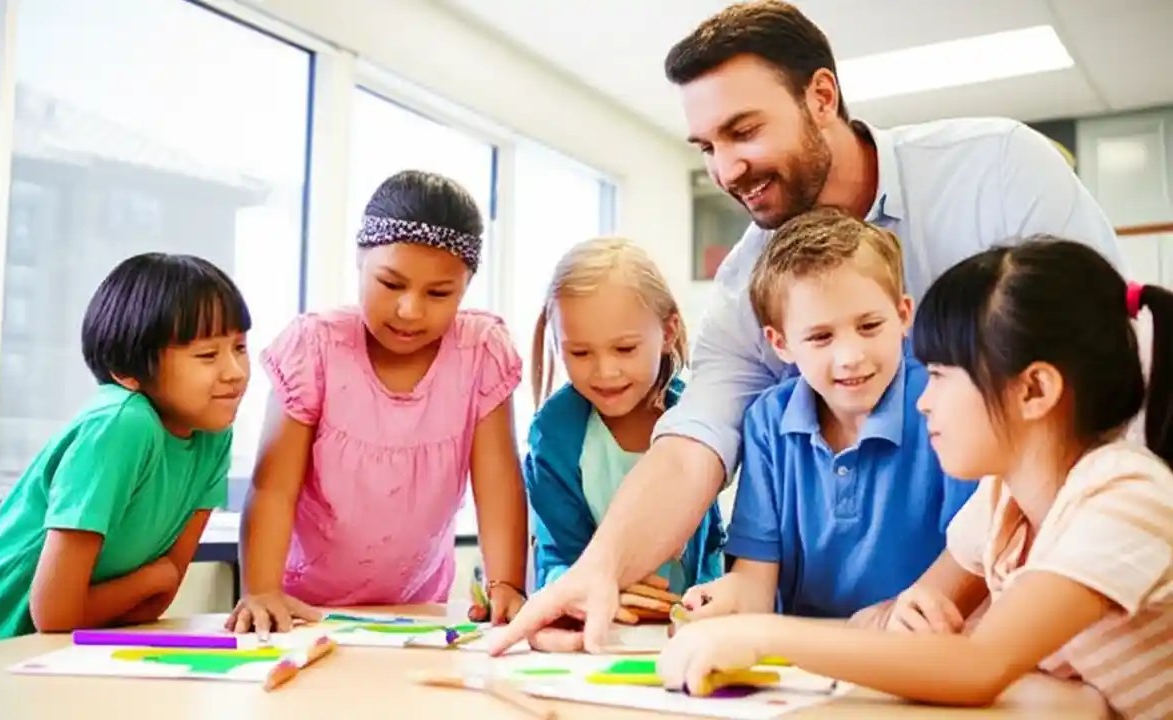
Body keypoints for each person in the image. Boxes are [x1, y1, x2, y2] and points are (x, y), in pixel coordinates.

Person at [491, 0, 1124, 654]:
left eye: (744, 131)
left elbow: (1104, 370)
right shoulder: (748, 286)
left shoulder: (996, 169)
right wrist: (600, 570)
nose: (725, 170)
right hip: (893, 638)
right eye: (708, 147)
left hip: (1061, 585)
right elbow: (693, 442)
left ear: (822, 95)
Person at [657, 238, 1173, 719]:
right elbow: (901, 625)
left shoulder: (1125, 496)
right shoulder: (1001, 500)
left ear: (1034, 390)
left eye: (942, 376)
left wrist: (761, 634)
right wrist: (903, 621)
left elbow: (978, 667)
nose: (923, 400)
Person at [0, 253, 250, 685]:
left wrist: (146, 585)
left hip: (51, 669)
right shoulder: (121, 424)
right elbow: (58, 612)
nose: (235, 372)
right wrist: (147, 580)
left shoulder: (214, 436)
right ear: (127, 370)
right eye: (208, 354)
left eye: (240, 347)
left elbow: (154, 602)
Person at [227, 170, 527, 636]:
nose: (410, 310)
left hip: (417, 613)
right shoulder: (316, 347)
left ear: (466, 286)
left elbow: (499, 480)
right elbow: (273, 488)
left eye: (439, 293)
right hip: (301, 609)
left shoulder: (481, 351)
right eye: (390, 284)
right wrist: (260, 590)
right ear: (359, 261)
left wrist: (506, 582)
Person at [681, 208, 970, 621]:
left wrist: (888, 624)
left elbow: (974, 561)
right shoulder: (768, 422)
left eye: (870, 326)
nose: (850, 357)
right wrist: (722, 602)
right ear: (780, 343)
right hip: (804, 664)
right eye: (820, 337)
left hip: (920, 652)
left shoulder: (948, 402)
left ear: (904, 316)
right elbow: (754, 582)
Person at [524, 238, 724, 608]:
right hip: (600, 625)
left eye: (625, 349)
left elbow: (713, 542)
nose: (605, 372)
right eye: (580, 352)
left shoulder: (697, 418)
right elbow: (556, 557)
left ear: (667, 333)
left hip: (685, 625)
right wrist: (602, 590)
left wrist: (706, 597)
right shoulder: (553, 435)